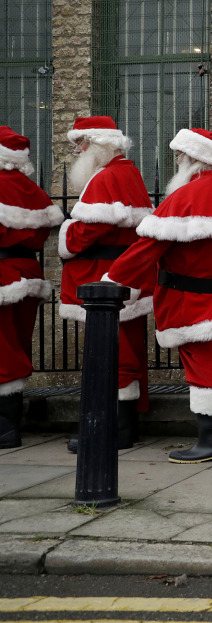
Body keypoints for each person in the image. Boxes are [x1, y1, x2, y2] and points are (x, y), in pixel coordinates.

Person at [105, 128, 212, 463]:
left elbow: (147, 248)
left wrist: (112, 280)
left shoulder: (185, 196)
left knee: (202, 368)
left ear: (193, 159)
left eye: (179, 155)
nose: (176, 161)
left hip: (189, 300)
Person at [59, 116, 154, 453]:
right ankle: (124, 425)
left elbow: (88, 230)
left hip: (107, 278)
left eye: (81, 143)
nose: (78, 150)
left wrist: (65, 238)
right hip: (123, 277)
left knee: (116, 352)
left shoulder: (108, 176)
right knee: (123, 349)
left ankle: (115, 430)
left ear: (99, 143)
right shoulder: (126, 171)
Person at [0, 126, 63, 449]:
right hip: (28, 270)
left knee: (2, 348)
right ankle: (11, 419)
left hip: (2, 272)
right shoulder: (30, 188)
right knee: (18, 342)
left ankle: (5, 426)